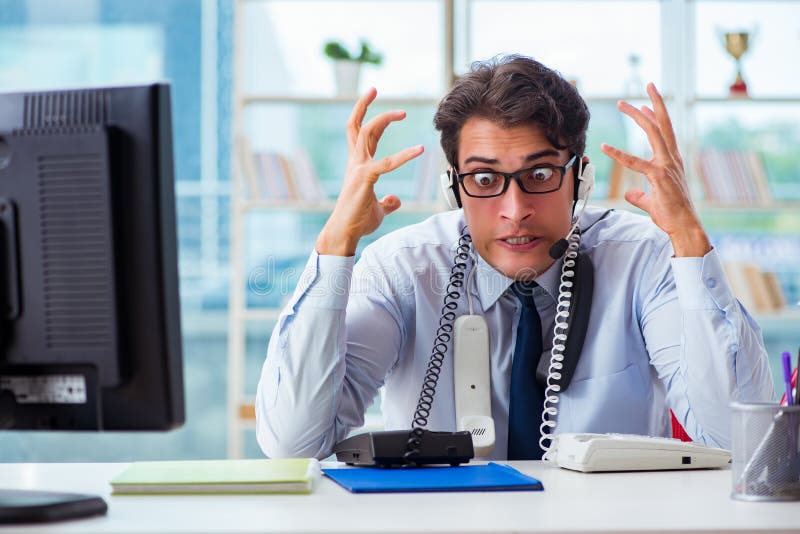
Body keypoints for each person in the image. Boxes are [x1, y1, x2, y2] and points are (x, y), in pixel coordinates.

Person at [255, 54, 774, 461]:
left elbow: (737, 439)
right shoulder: (403, 269)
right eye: (484, 179)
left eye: (541, 174)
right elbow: (292, 444)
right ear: (454, 189)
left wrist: (688, 237)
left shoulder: (644, 259)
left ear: (581, 178)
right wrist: (334, 248)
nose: (515, 209)